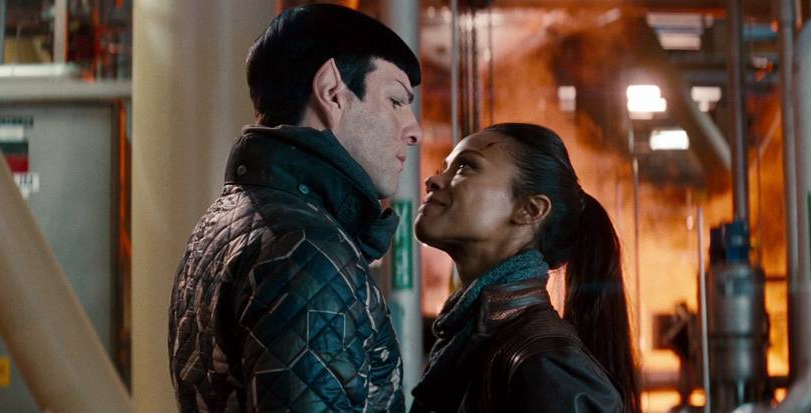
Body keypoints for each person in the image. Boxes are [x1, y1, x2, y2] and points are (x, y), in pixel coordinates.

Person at [168, 4, 422, 412]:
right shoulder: (307, 248)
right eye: (395, 101)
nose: (414, 130)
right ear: (332, 91)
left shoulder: (226, 219)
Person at [411, 123, 640, 412]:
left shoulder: (549, 366)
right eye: (443, 168)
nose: (432, 180)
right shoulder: (471, 339)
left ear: (531, 210)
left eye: (465, 166)